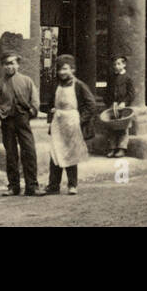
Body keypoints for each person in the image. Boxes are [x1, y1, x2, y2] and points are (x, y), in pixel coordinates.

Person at [0, 53, 40, 196]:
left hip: (23, 120)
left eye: (13, 63)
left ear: (18, 64)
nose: (10, 66)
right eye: (7, 64)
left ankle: (32, 186)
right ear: (3, 66)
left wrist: (31, 112)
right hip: (7, 121)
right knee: (11, 154)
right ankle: (13, 186)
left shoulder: (27, 81)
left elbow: (35, 101)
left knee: (29, 151)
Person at [46, 54, 95, 195]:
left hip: (72, 123)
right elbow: (50, 102)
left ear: (72, 69)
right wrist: (52, 112)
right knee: (55, 153)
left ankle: (72, 185)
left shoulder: (79, 85)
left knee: (70, 154)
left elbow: (91, 105)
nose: (62, 72)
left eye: (66, 69)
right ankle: (53, 186)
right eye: (60, 69)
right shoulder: (55, 85)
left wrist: (81, 119)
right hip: (58, 123)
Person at [103, 54, 134, 158]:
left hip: (123, 106)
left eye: (119, 64)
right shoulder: (111, 77)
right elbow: (107, 91)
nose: (116, 66)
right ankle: (112, 148)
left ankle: (121, 148)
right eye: (115, 64)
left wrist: (124, 102)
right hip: (113, 105)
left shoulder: (128, 78)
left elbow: (131, 94)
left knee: (123, 127)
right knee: (112, 127)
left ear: (124, 64)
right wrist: (109, 102)